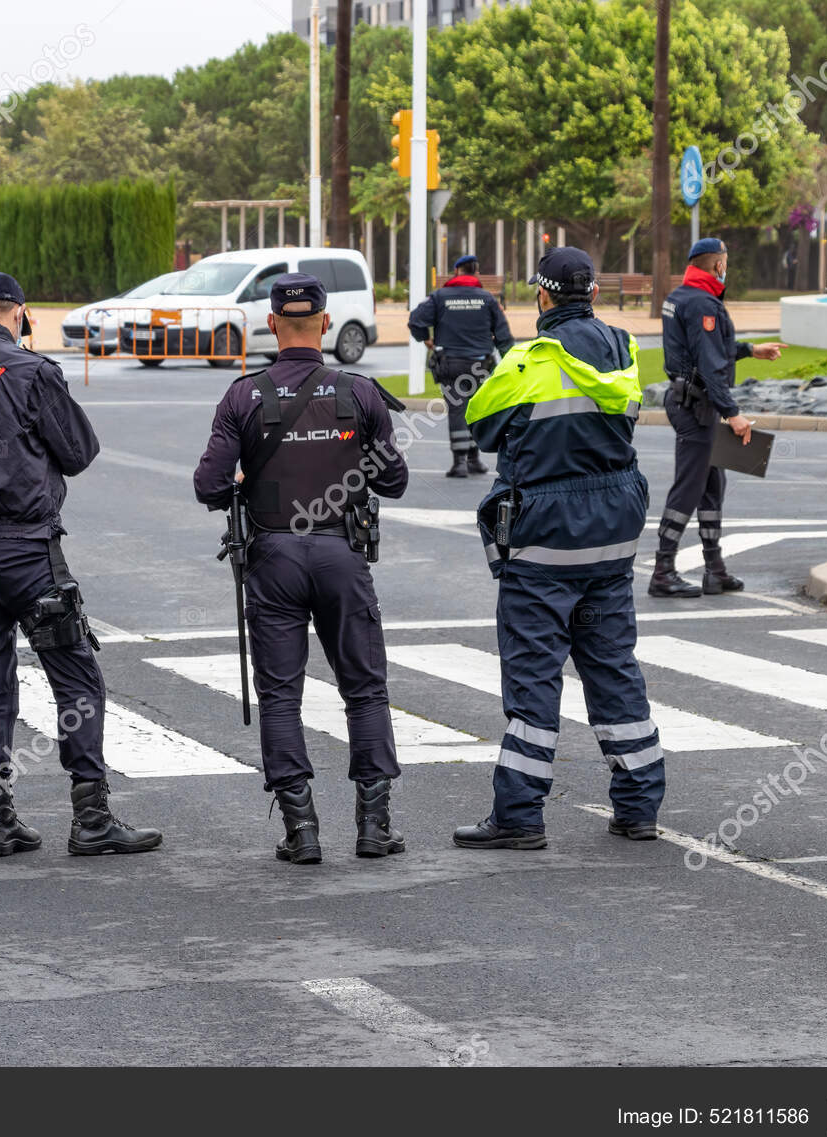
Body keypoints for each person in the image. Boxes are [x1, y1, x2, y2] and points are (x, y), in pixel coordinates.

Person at [0, 272, 161, 859]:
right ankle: (91, 816)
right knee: (76, 677)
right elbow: (79, 452)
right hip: (26, 549)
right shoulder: (31, 370)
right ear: (20, 313)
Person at [452, 247, 667, 848]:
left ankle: (519, 816)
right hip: (611, 541)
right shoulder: (624, 349)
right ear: (592, 294)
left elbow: (482, 426)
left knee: (534, 680)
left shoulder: (528, 361)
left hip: (543, 545)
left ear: (542, 296)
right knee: (614, 669)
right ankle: (639, 806)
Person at [194, 272, 410, 864]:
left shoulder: (243, 396)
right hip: (342, 554)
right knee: (364, 690)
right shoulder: (359, 394)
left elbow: (209, 485)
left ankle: (301, 829)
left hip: (274, 557)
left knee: (281, 696)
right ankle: (374, 826)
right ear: (324, 323)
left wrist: (246, 476)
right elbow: (393, 481)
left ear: (271, 324)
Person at [650, 238, 784, 598]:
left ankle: (715, 570)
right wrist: (733, 414)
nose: (727, 268)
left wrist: (751, 350)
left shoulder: (681, 296)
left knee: (711, 485)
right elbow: (710, 364)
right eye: (726, 262)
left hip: (693, 402)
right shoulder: (702, 303)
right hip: (697, 406)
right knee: (689, 486)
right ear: (718, 265)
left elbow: (706, 349)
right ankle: (662, 571)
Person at [407, 254, 514, 478]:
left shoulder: (440, 297)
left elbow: (415, 320)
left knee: (457, 410)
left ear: (456, 271)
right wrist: (511, 363)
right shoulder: (487, 299)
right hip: (480, 365)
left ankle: (460, 463)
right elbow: (503, 335)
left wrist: (425, 339)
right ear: (476, 272)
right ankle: (474, 460)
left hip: (451, 364)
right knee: (476, 409)